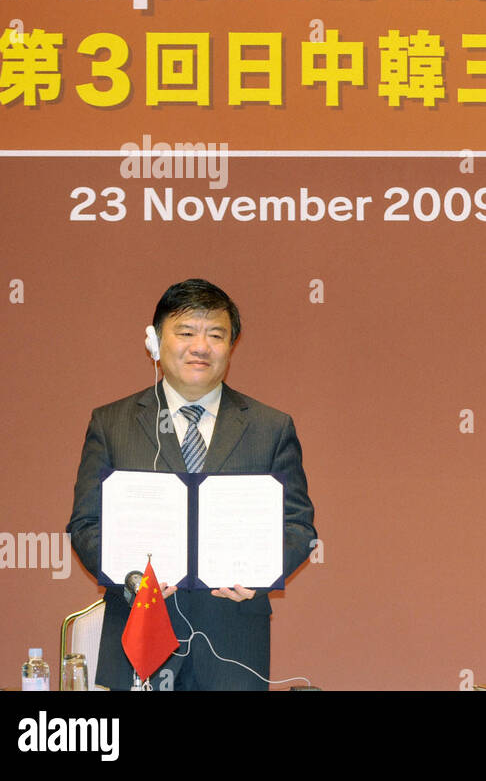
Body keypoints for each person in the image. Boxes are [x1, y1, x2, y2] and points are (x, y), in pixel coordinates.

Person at [67, 279, 316, 690]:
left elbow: (299, 527)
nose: (200, 346)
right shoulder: (111, 423)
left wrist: (260, 574)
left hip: (232, 642)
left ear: (231, 346)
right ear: (155, 341)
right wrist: (132, 580)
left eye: (215, 335)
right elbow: (85, 524)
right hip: (140, 638)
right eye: (185, 332)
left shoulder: (270, 428)